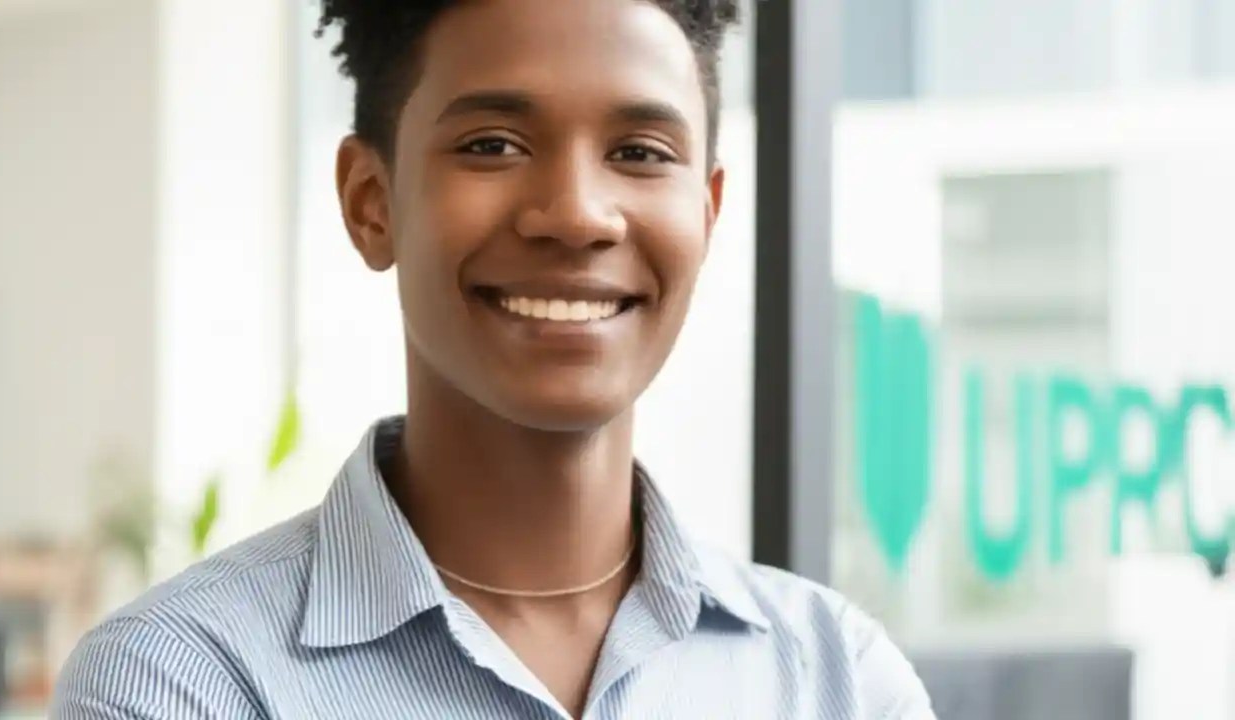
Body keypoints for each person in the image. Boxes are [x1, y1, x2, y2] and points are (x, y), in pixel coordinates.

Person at [52, 0, 933, 717]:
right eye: (492, 146)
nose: (577, 214)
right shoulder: (180, 682)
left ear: (707, 213)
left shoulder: (839, 680)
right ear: (371, 202)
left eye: (639, 153)